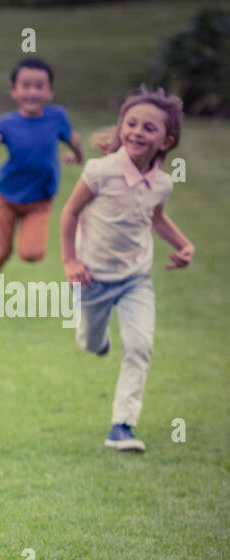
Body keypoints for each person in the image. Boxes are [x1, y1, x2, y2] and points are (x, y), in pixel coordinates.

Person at [60, 87, 194, 452]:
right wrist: (70, 261)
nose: (136, 132)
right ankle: (97, 340)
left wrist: (183, 244)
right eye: (131, 124)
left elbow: (156, 218)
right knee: (90, 342)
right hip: (92, 278)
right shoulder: (99, 172)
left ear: (166, 140)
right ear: (121, 129)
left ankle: (122, 426)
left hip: (136, 279)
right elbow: (70, 213)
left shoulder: (162, 183)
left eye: (148, 128)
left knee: (140, 346)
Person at [0, 57, 83, 312]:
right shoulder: (5, 124)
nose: (32, 91)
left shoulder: (57, 118)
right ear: (14, 90)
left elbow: (72, 138)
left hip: (39, 201)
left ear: (49, 91)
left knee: (32, 254)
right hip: (7, 197)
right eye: (26, 85)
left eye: (39, 86)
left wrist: (77, 156)